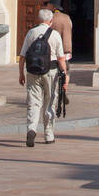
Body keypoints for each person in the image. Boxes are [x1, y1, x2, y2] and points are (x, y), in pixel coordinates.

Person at [18, 8, 67, 147]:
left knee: (33, 102)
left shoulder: (31, 33)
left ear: (38, 20)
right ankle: (48, 134)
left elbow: (22, 57)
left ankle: (31, 129)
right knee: (50, 102)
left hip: (33, 72)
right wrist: (64, 75)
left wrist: (21, 73)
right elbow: (61, 58)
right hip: (51, 72)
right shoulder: (55, 35)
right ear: (51, 21)